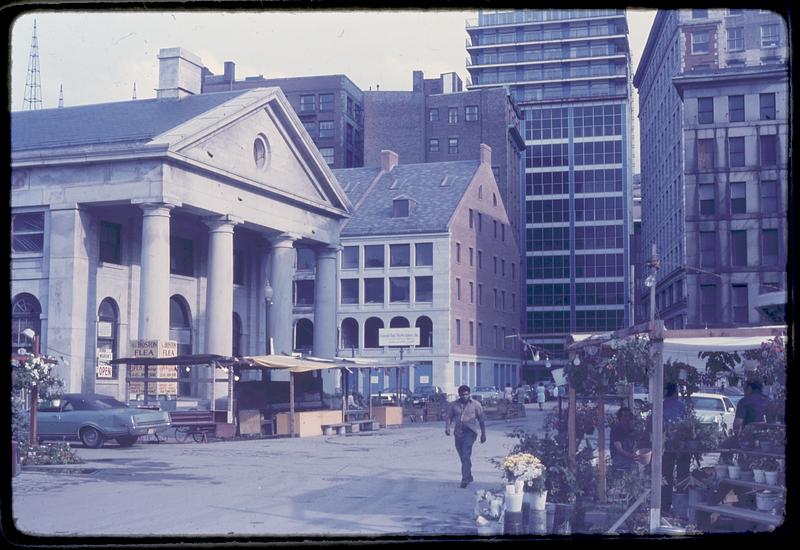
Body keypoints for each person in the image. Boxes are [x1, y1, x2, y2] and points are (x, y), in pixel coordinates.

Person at [445, 385, 487, 488]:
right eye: (463, 394)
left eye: (467, 394)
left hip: (470, 433)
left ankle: (464, 479)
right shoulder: (454, 405)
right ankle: (468, 475)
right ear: (459, 395)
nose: (465, 396)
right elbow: (449, 417)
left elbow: (481, 420)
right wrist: (447, 427)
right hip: (458, 433)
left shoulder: (476, 405)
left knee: (465, 454)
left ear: (469, 394)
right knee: (463, 457)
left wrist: (483, 434)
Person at [661, 382, 690, 514]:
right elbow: (688, 423)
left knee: (666, 475)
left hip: (666, 445)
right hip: (682, 445)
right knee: (683, 475)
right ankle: (681, 506)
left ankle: (665, 506)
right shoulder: (681, 405)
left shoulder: (661, 405)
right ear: (675, 392)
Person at [610, 407, 641, 471]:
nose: (627, 418)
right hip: (618, 458)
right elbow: (619, 449)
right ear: (619, 418)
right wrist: (632, 456)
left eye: (629, 416)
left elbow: (635, 445)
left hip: (628, 457)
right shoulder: (617, 429)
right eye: (625, 416)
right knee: (636, 466)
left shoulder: (629, 428)